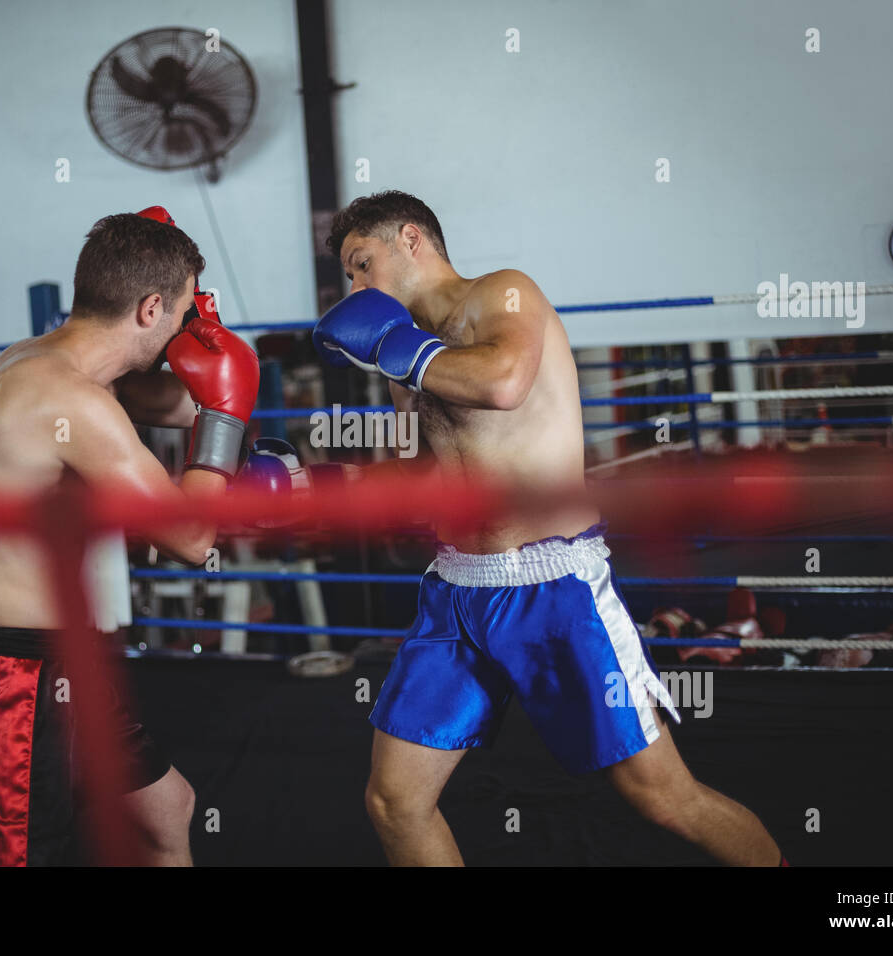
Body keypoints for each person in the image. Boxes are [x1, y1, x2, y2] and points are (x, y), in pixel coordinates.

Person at [314, 190, 786, 866]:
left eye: (363, 265)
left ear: (412, 239)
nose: (357, 288)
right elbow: (430, 471)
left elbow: (503, 380)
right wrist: (315, 480)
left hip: (554, 586)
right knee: (395, 802)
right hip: (456, 591)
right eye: (350, 278)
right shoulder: (404, 360)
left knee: (664, 798)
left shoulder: (501, 296)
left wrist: (397, 348)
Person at [0, 210, 259, 865]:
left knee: (165, 813)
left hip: (63, 664)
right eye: (182, 311)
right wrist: (225, 419)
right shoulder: (72, 401)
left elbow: (182, 406)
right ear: (148, 309)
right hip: (16, 676)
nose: (189, 325)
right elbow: (194, 538)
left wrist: (211, 375)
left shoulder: (37, 361)